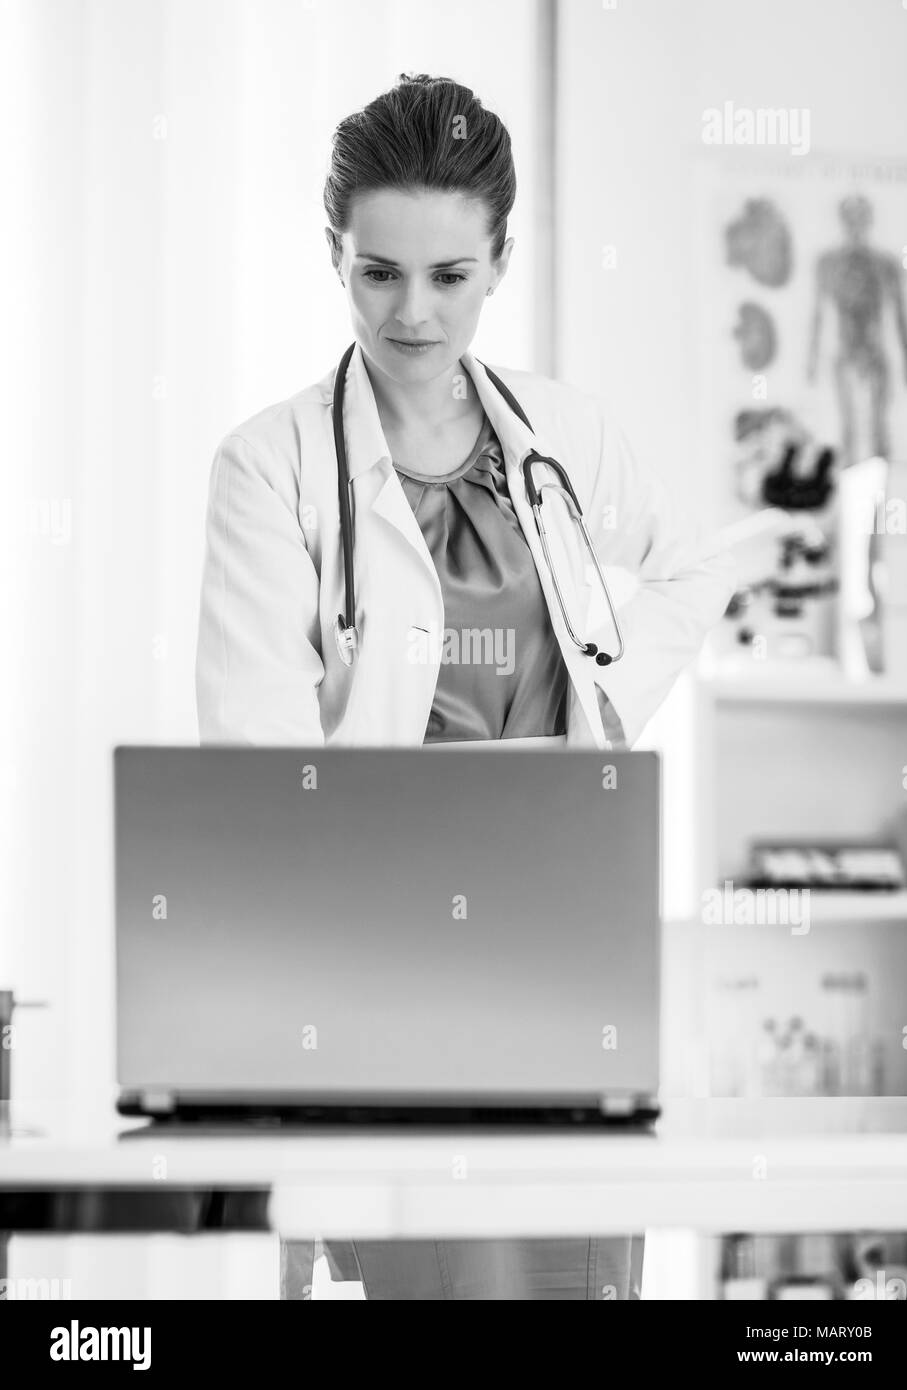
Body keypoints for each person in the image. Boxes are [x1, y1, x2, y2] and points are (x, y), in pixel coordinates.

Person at [195, 72, 736, 1299]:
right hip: (370, 945)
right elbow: (256, 762)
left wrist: (600, 717)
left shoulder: (561, 435)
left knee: (575, 1283)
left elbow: (697, 562)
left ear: (500, 260)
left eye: (449, 276)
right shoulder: (268, 467)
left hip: (560, 933)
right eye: (377, 271)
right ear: (332, 256)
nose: (413, 314)